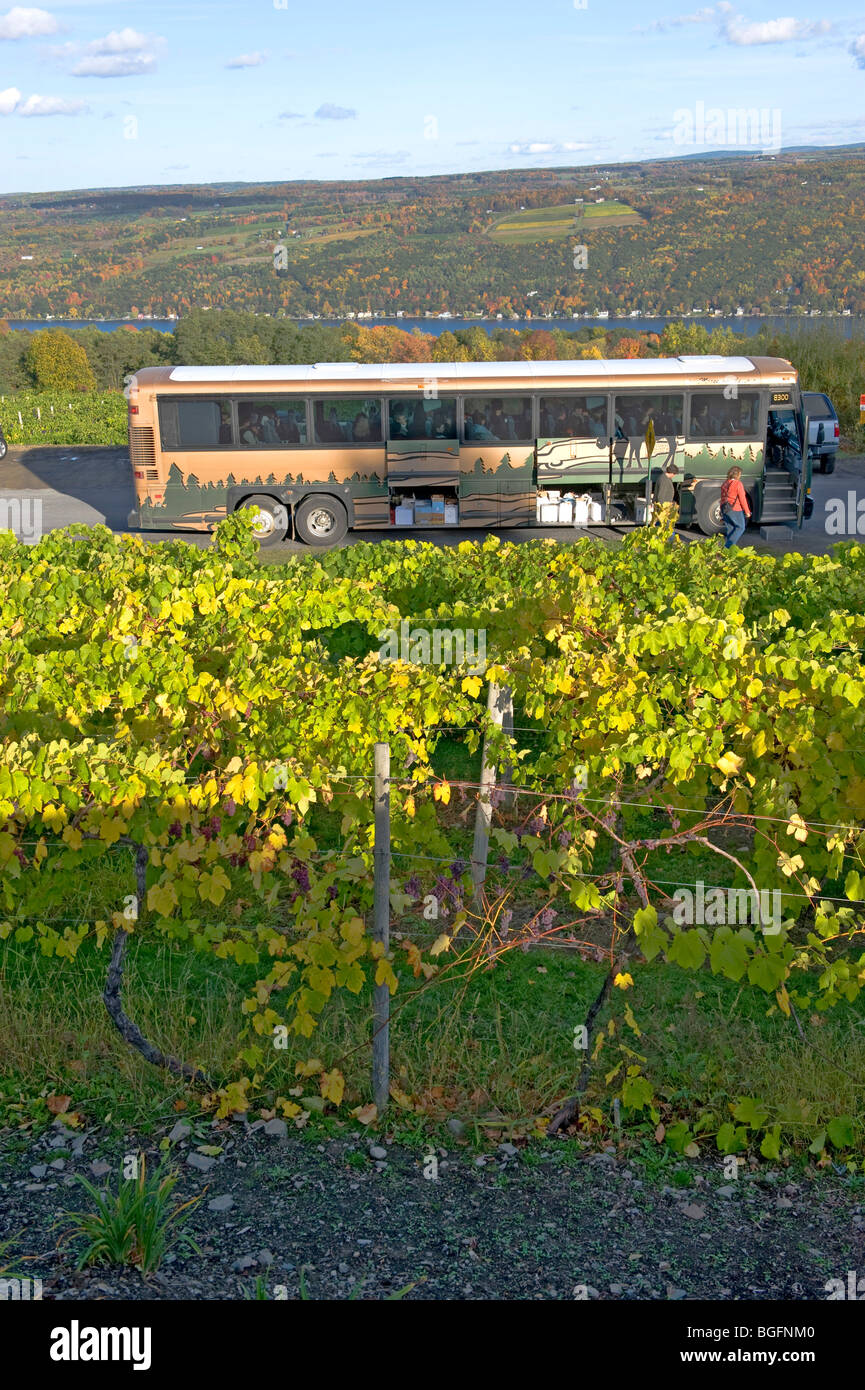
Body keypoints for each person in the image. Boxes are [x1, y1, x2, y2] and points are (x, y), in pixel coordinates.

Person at [720, 464, 751, 548]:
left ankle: (728, 552)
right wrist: (747, 512)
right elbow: (742, 499)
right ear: (738, 474)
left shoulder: (725, 483)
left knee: (730, 529)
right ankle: (727, 547)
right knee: (740, 527)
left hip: (725, 508)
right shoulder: (738, 484)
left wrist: (721, 510)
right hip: (735, 509)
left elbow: (722, 498)